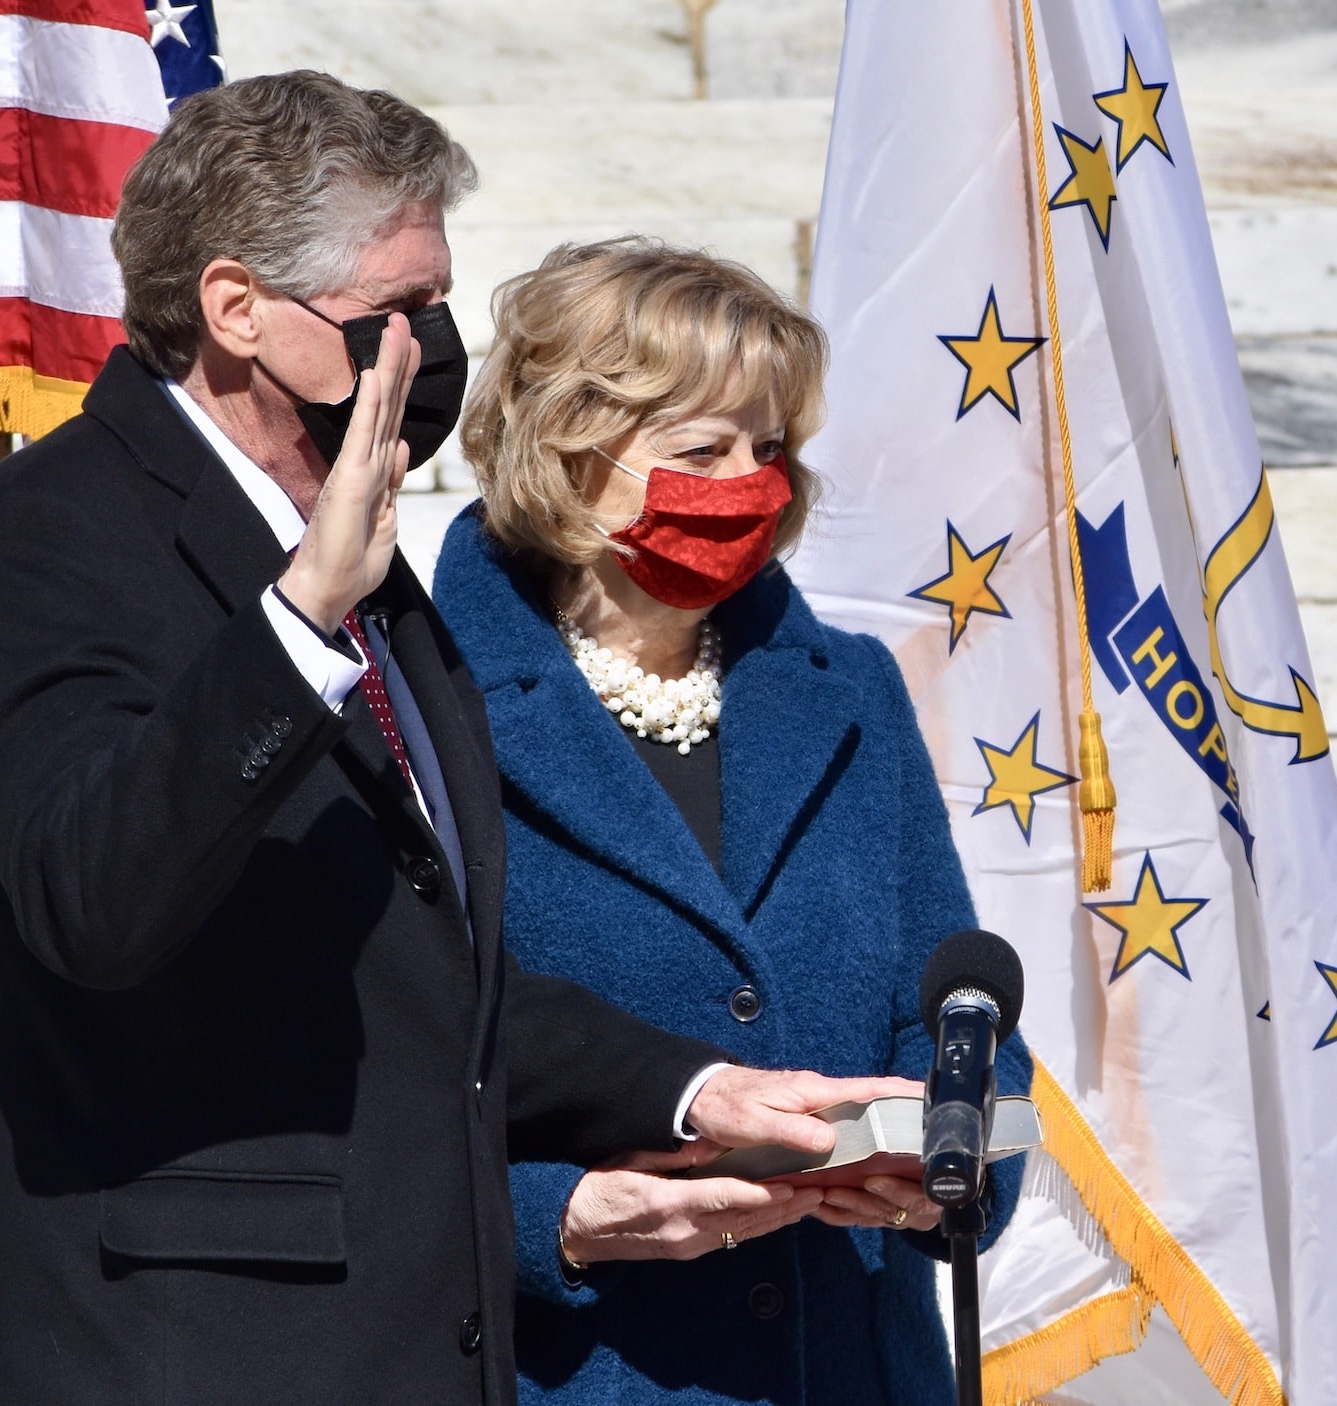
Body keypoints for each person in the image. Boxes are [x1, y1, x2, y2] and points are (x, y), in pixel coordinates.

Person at [0, 74, 895, 1406]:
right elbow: (88, 895)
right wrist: (294, 623)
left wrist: (701, 1089)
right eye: (396, 313)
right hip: (188, 1354)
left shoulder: (356, 552)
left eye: (438, 305)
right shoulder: (61, 527)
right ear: (236, 309)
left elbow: (427, 975)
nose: (432, 347)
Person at [432, 237, 1030, 1406]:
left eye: (772, 447)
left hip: (856, 1361)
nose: (752, 480)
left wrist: (947, 1162)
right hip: (588, 1371)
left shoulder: (847, 686)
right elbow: (379, 1074)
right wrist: (552, 1219)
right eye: (703, 448)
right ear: (566, 453)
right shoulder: (425, 699)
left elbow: (952, 1000)